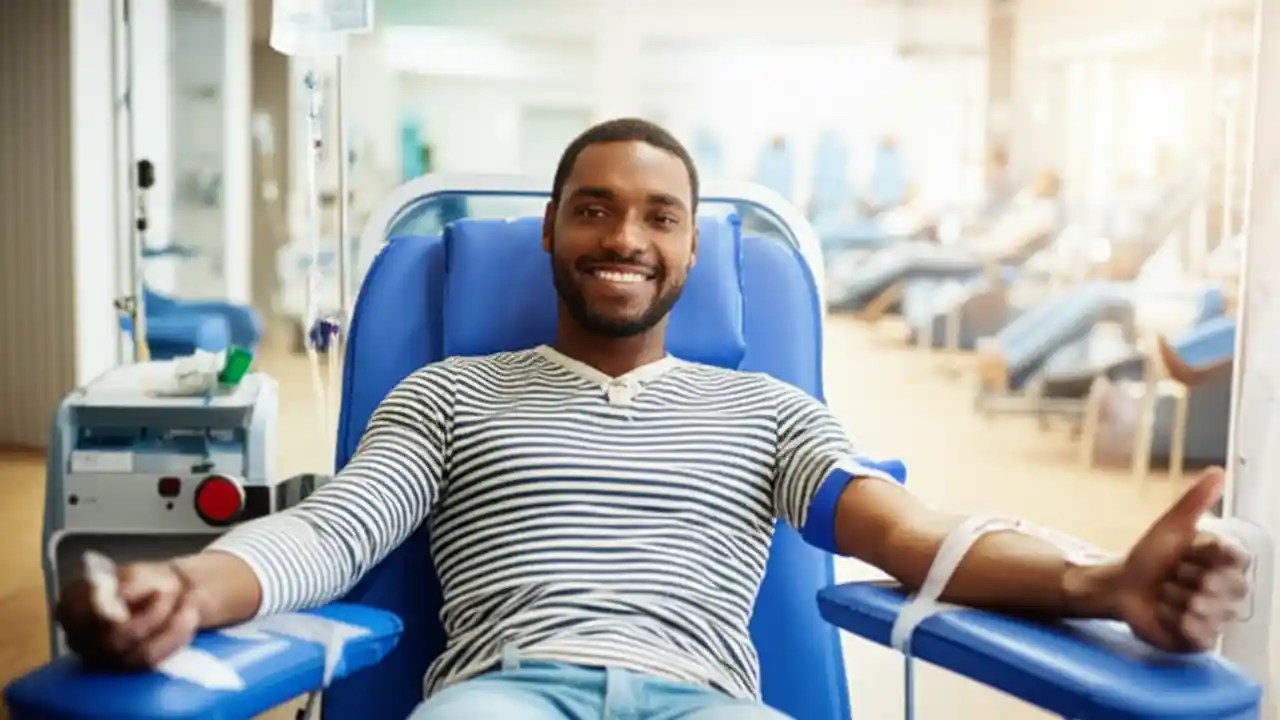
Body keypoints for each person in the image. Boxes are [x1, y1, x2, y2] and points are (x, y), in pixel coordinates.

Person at [56, 119, 1249, 720]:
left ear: (690, 246)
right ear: (551, 233)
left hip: (707, 698)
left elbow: (905, 533)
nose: (623, 237)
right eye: (593, 209)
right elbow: (329, 535)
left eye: (657, 216)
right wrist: (190, 594)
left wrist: (1105, 587)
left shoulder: (766, 411)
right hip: (504, 694)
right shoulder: (448, 396)